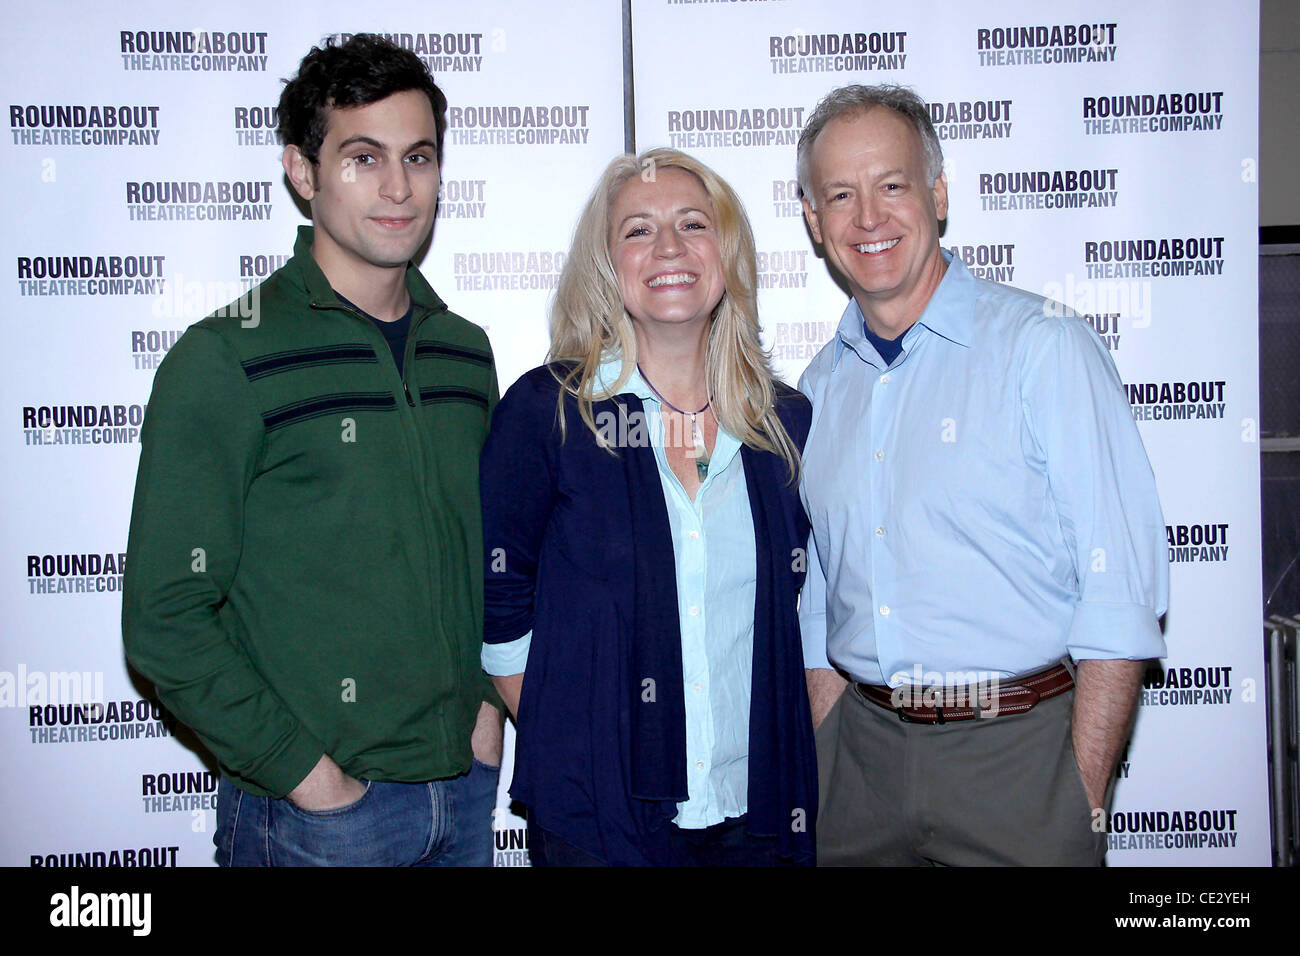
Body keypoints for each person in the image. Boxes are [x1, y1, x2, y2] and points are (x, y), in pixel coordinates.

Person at [122, 34, 503, 867]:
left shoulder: (464, 353)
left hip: (466, 797)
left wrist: (483, 716)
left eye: (419, 156)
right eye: (363, 158)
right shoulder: (225, 355)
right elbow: (165, 617)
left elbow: (487, 560)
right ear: (303, 172)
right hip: (317, 822)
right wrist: (308, 778)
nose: (399, 187)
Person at [796, 84, 1169, 866]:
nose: (868, 217)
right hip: (857, 772)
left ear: (937, 195)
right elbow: (817, 599)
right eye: (840, 194)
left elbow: (1121, 589)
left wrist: (1081, 798)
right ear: (813, 219)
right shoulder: (821, 386)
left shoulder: (1044, 347)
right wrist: (829, 745)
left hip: (1021, 769)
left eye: (892, 184)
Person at [481, 148, 817, 866]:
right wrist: (572, 738)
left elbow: (803, 614)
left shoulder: (783, 425)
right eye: (637, 230)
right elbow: (500, 607)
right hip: (601, 819)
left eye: (693, 224)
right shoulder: (552, 413)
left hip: (755, 814)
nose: (669, 247)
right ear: (605, 263)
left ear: (725, 253)